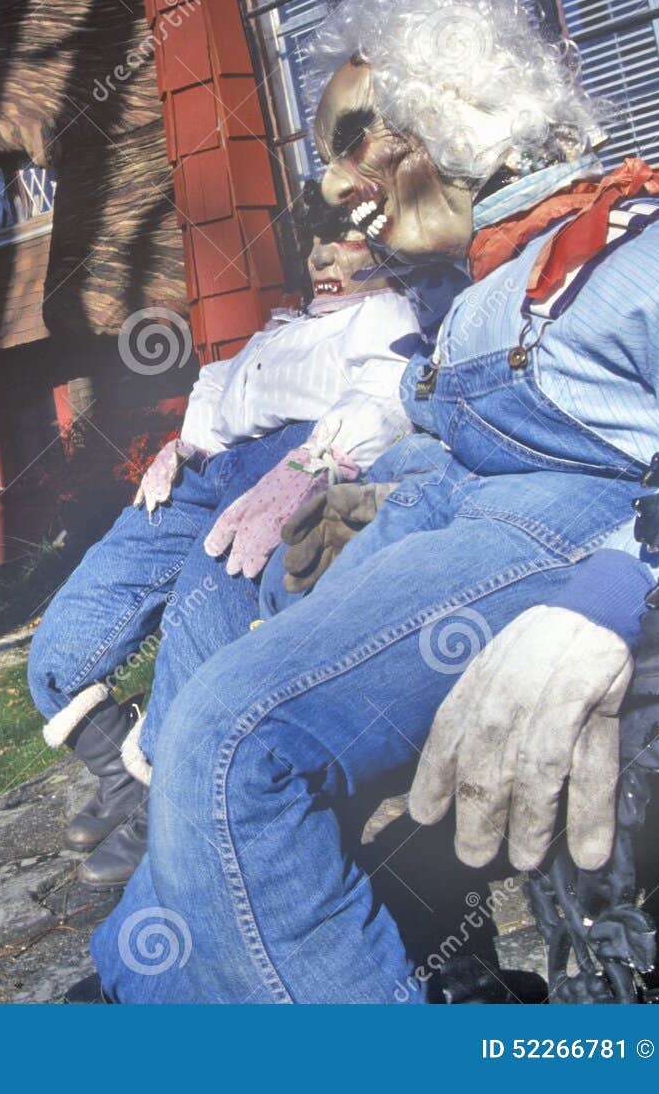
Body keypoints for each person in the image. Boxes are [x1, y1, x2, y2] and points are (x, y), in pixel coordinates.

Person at [90, 0, 659, 1002]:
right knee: (205, 650)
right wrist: (329, 507)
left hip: (567, 544)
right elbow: (433, 439)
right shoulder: (485, 283)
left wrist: (614, 602)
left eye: (352, 139)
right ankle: (142, 991)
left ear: (452, 108)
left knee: (235, 738)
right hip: (457, 526)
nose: (333, 188)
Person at [28, 191, 426, 886]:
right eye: (314, 242)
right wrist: (180, 447)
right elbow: (216, 395)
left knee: (200, 626)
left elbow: (389, 398)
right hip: (203, 475)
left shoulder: (389, 313)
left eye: (347, 241)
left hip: (293, 473)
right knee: (69, 632)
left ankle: (170, 799)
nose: (323, 255)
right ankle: (123, 775)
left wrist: (312, 464)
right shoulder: (279, 327)